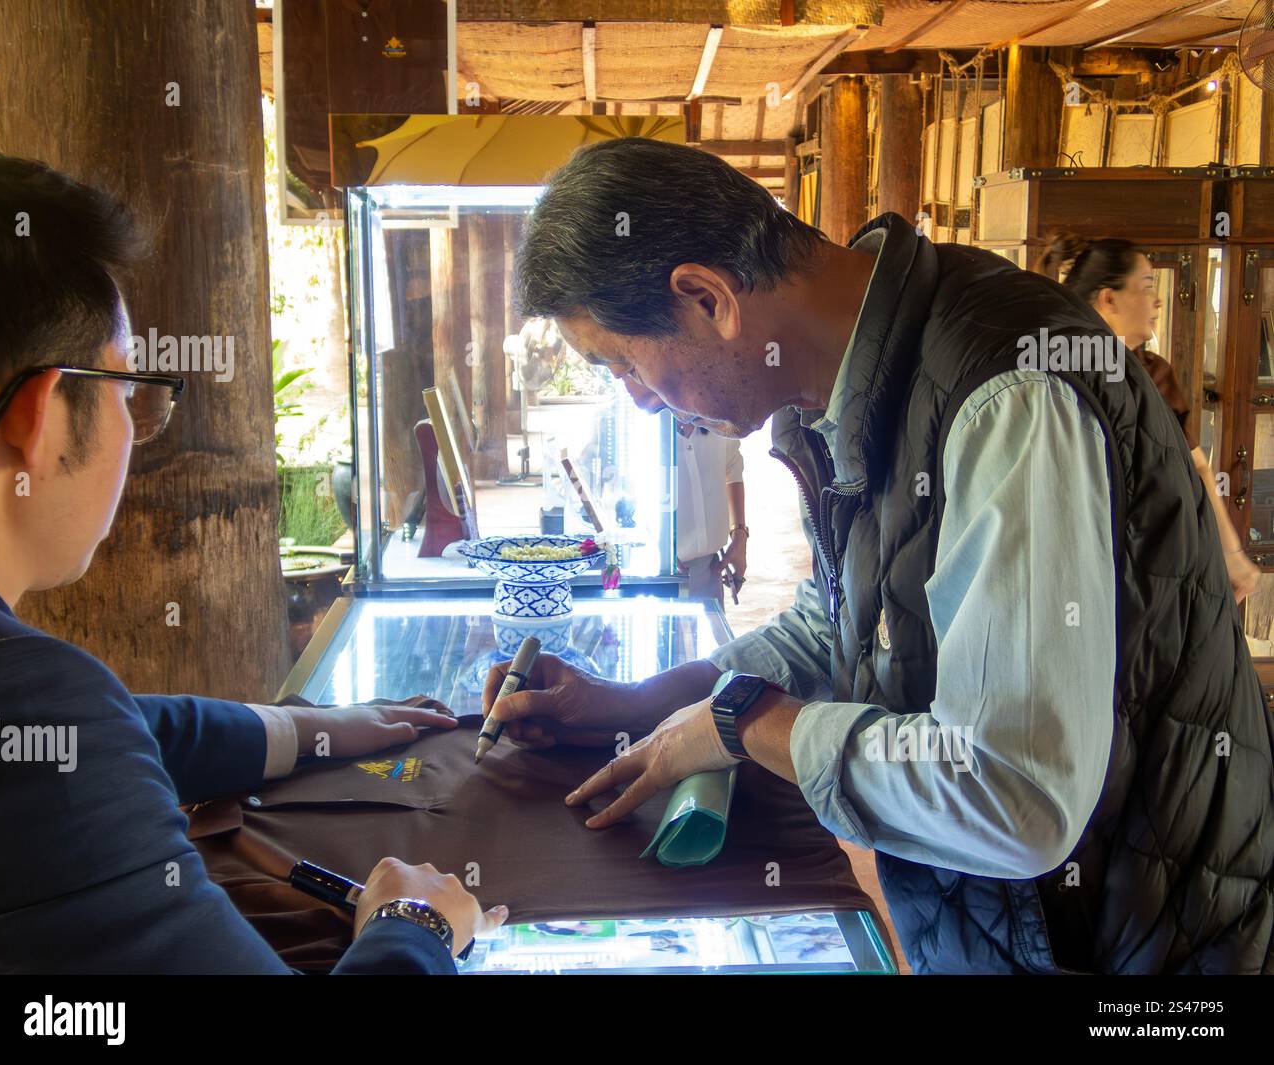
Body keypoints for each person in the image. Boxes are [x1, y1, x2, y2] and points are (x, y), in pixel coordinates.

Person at [482, 137, 1274, 975]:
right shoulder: (836, 383)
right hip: (1012, 930)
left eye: (623, 366)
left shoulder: (1006, 394)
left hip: (1145, 956)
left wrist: (743, 724)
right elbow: (841, 623)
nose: (639, 402)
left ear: (706, 297)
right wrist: (637, 701)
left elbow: (1016, 795)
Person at [0, 148, 505, 974]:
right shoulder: (18, 691)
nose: (132, 425)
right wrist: (412, 924)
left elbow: (109, 728)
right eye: (128, 388)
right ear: (39, 416)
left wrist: (307, 729)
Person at [1043, 232, 1260, 603]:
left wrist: (1230, 552)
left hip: (1132, 562)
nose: (1158, 300)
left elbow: (1197, 468)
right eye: (1146, 286)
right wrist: (1231, 554)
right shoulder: (1064, 369)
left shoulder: (1147, 372)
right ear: (1109, 298)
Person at [674, 423, 747, 606]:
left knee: (713, 633)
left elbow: (733, 471)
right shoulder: (639, 421)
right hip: (659, 574)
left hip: (710, 569)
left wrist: (739, 535)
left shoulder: (718, 416)